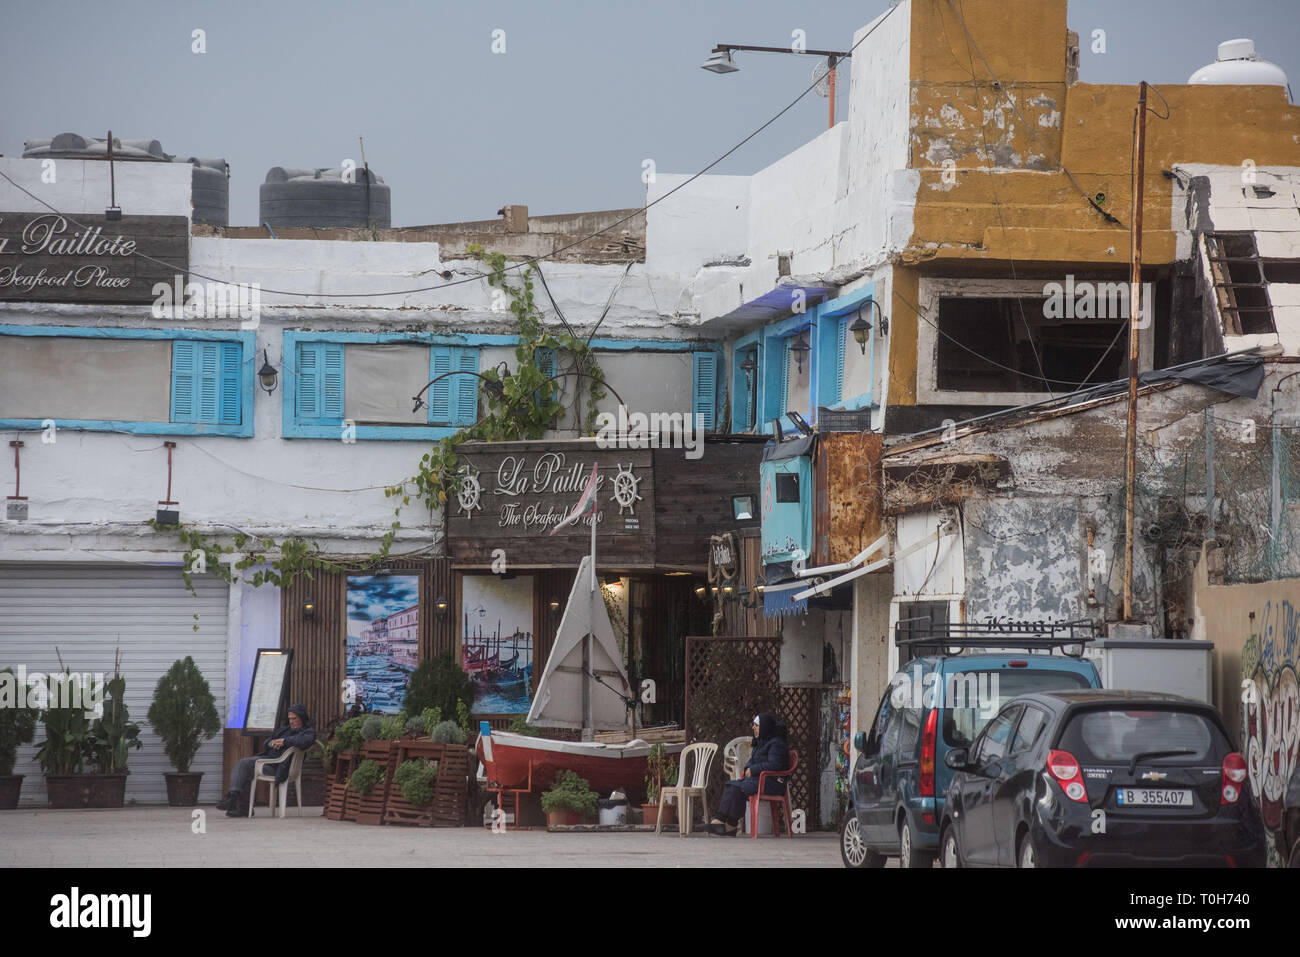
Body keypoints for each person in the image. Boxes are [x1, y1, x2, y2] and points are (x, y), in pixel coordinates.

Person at [217, 704, 316, 818]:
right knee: (244, 767)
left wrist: (284, 741)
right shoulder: (285, 729)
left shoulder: (308, 732)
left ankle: (236, 800)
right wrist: (272, 743)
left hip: (280, 767)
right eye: (290, 719)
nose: (291, 722)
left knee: (245, 763)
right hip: (269, 761)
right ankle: (239, 803)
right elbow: (267, 741)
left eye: (294, 719)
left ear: (302, 718)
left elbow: (304, 741)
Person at [709, 713, 789, 836]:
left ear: (765, 727)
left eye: (756, 725)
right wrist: (748, 768)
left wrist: (754, 769)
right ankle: (729, 825)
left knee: (739, 787)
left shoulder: (776, 743)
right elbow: (752, 760)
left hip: (774, 782)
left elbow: (775, 765)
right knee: (731, 785)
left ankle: (724, 823)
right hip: (761, 780)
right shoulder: (761, 742)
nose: (753, 728)